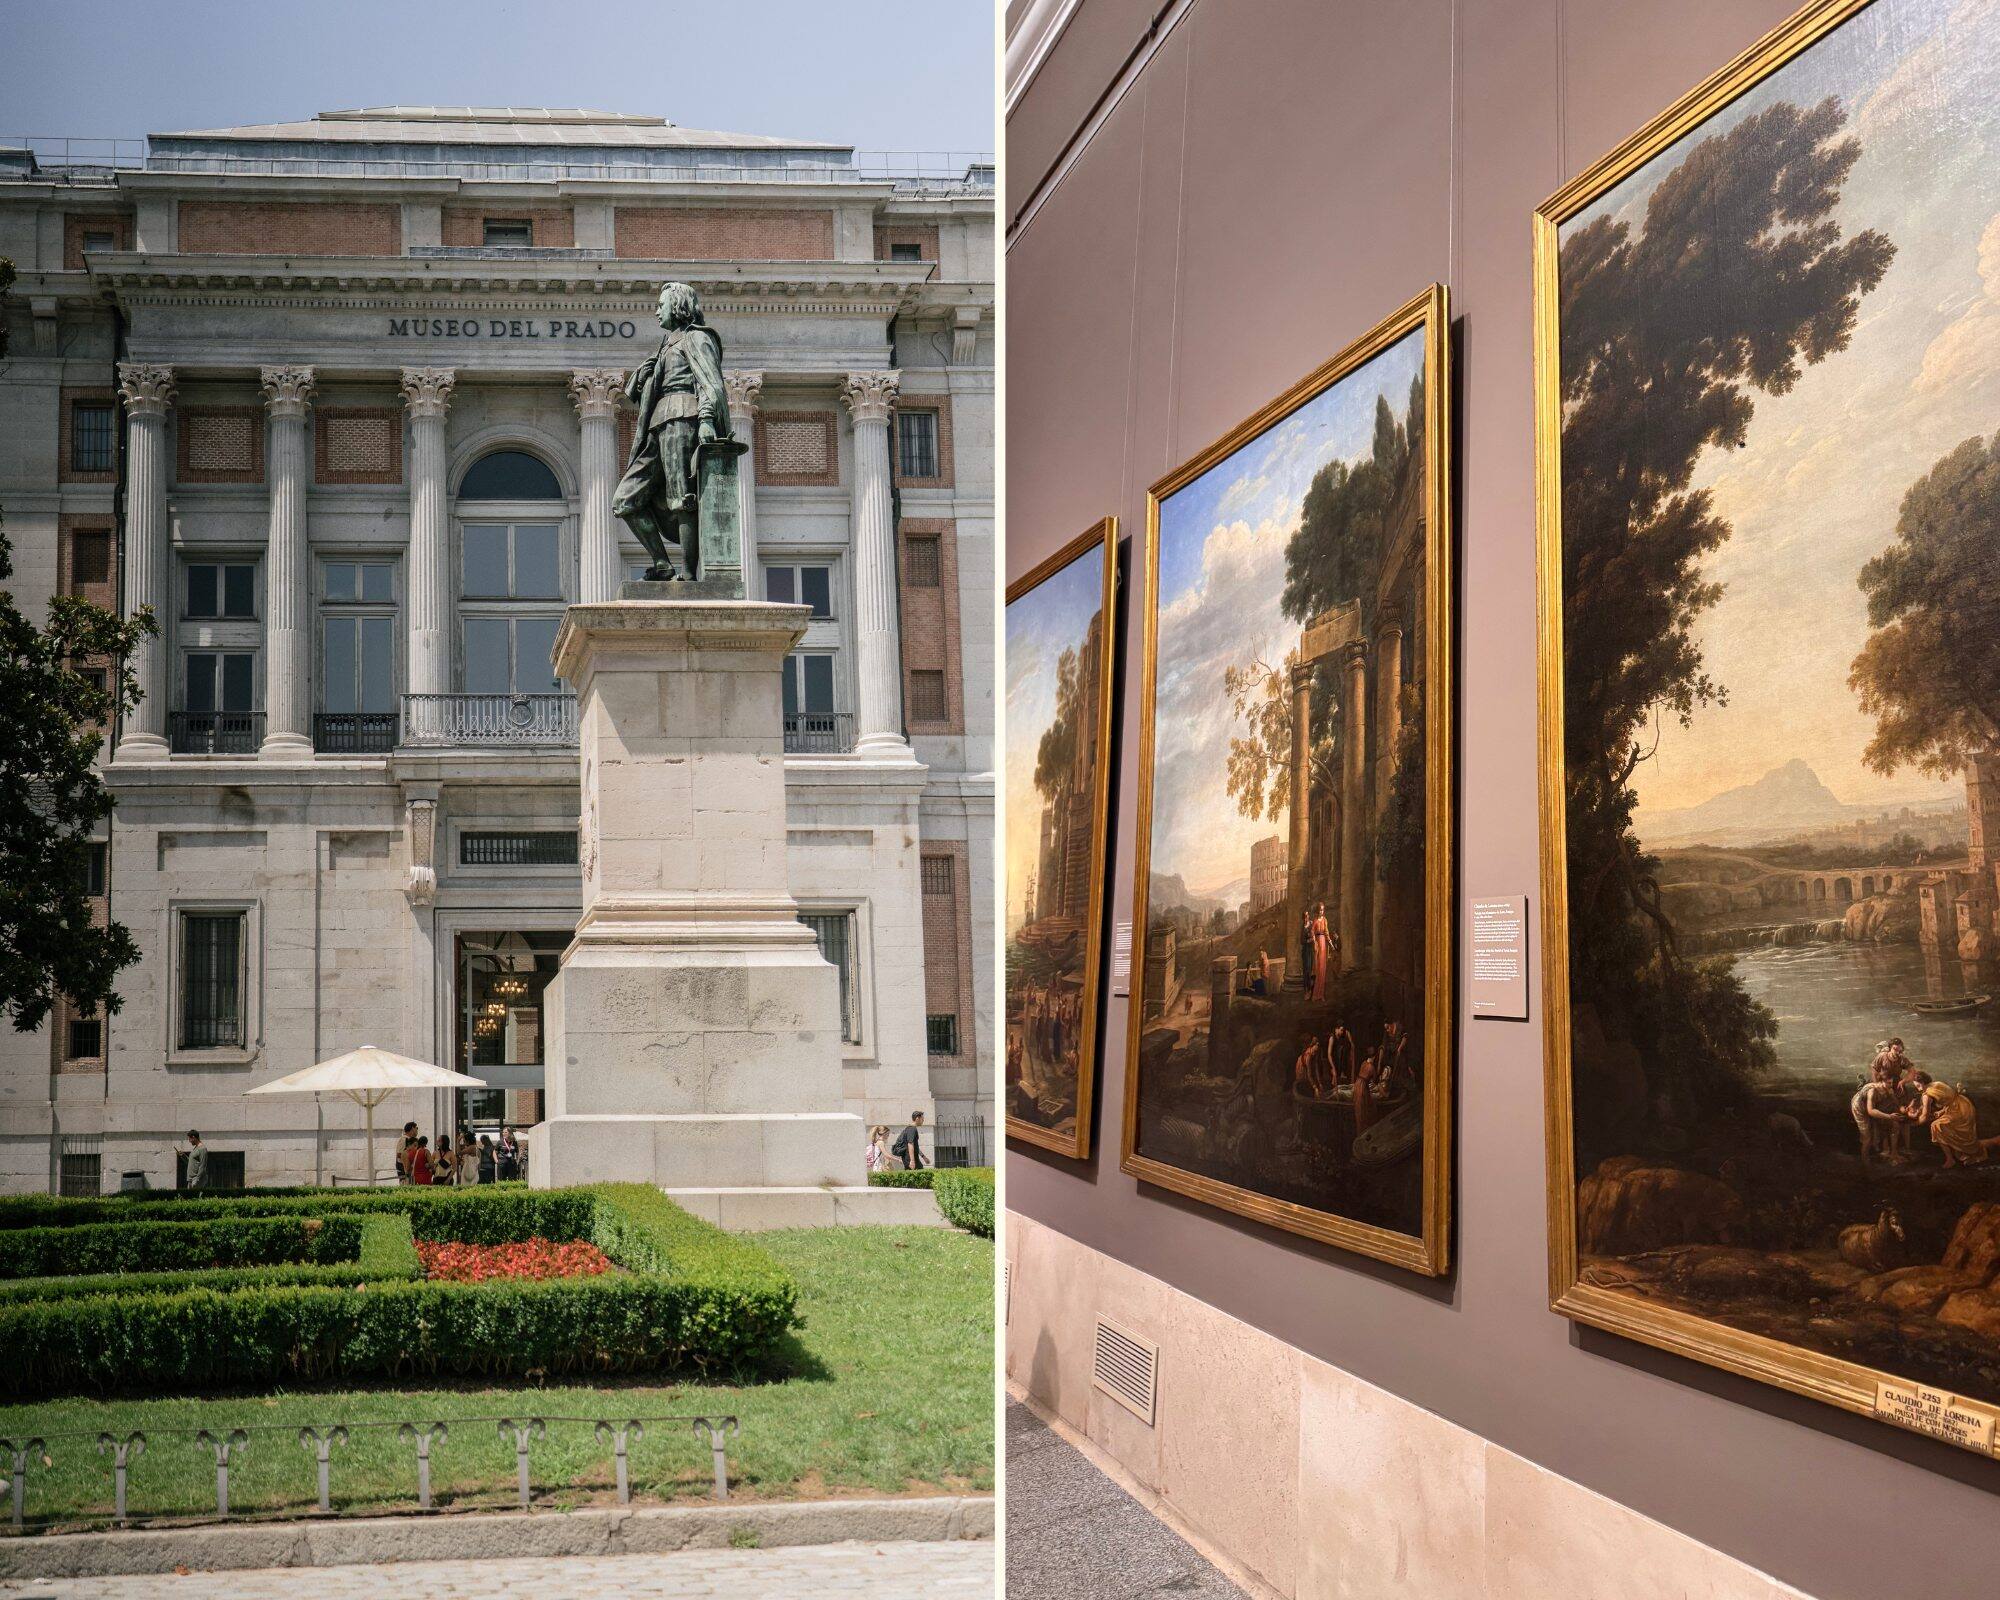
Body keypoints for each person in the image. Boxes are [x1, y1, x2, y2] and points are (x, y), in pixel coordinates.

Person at [1916, 1080, 2000, 1168]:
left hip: (1959, 1110)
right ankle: (1967, 1154)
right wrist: (1941, 1111)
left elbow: (1925, 1116)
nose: (1918, 1088)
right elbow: (1950, 1098)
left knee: (1936, 1126)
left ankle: (1950, 1159)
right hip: (1962, 1105)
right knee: (1959, 1136)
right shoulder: (1936, 1084)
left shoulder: (1927, 1094)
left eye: (1917, 1084)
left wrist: (1914, 1123)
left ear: (1922, 1081)